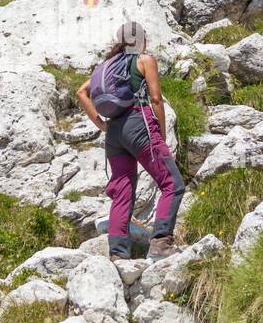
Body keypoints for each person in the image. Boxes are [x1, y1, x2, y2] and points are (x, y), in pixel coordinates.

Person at [77, 20, 185, 260]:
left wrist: (101, 124)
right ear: (141, 40)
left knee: (123, 192)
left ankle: (117, 253)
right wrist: (162, 135)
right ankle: (160, 245)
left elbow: (81, 92)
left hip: (114, 132)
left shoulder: (103, 67)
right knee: (172, 183)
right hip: (139, 123)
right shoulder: (144, 60)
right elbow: (156, 99)